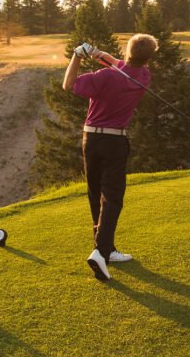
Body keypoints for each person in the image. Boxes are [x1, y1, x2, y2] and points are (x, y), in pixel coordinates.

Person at [63, 34, 158, 281]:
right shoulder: (143, 77)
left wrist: (77, 56)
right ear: (148, 59)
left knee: (97, 194)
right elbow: (122, 65)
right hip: (115, 142)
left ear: (127, 52)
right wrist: (98, 54)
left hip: (91, 139)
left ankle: (104, 249)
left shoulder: (104, 77)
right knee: (112, 198)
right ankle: (102, 250)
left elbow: (68, 85)